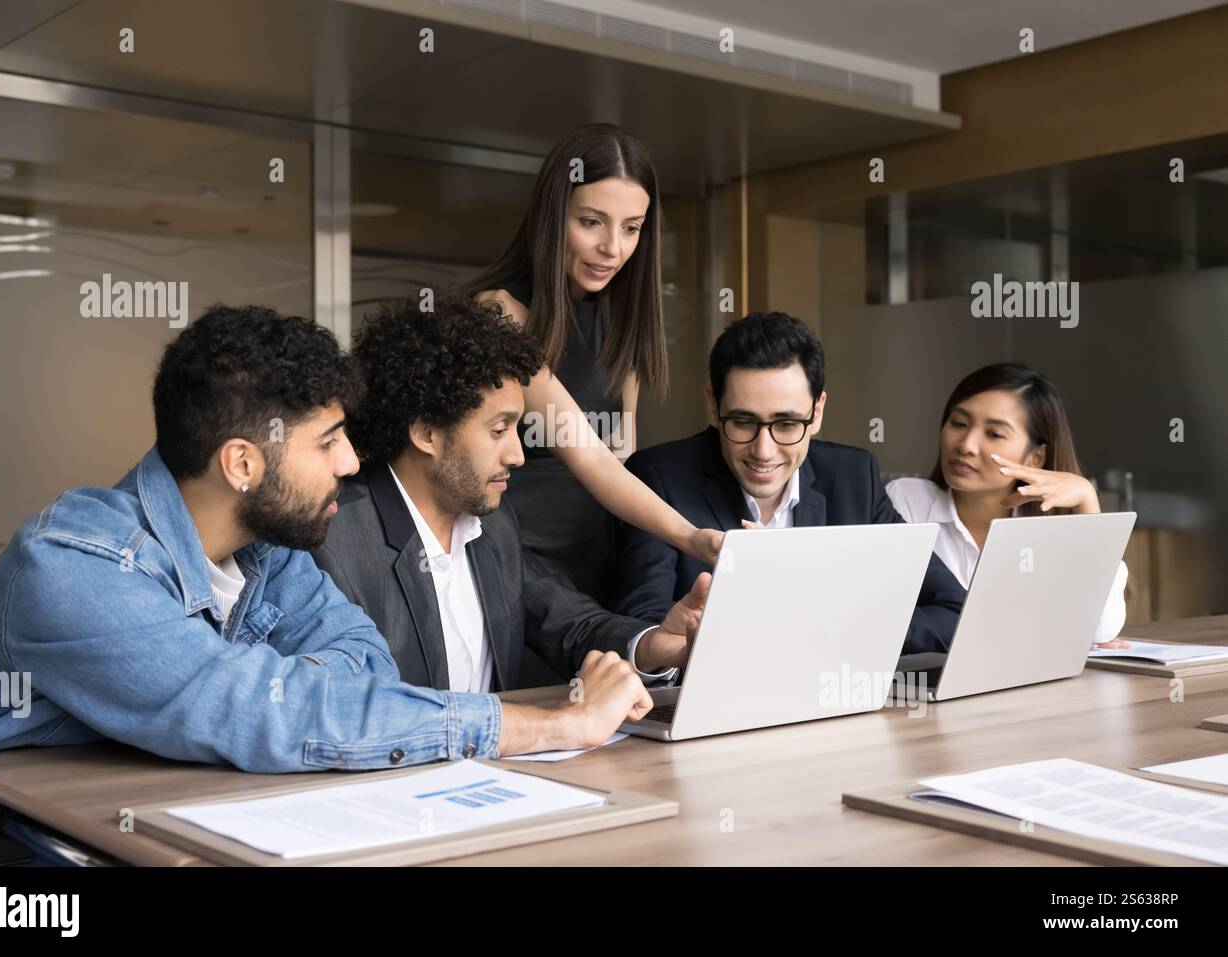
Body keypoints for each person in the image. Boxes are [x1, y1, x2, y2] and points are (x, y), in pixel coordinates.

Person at [0, 304, 653, 866]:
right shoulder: (74, 568)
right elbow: (264, 711)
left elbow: (357, 658)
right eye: (327, 441)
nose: (350, 462)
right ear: (242, 463)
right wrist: (556, 726)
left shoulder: (265, 547)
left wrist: (282, 698)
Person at [313, 291, 709, 692]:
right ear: (426, 433)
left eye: (518, 430)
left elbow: (573, 626)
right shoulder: (332, 541)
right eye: (499, 431)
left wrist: (657, 646)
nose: (518, 455)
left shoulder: (493, 523)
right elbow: (350, 707)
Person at [612, 311, 967, 656]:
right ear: (712, 405)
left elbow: (952, 610)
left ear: (818, 411)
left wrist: (833, 631)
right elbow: (644, 632)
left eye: (786, 424)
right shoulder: (659, 478)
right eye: (742, 422)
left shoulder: (853, 477)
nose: (763, 451)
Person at [466, 123, 720, 605]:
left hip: (599, 561)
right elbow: (588, 453)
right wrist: (690, 536)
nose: (613, 248)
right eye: (591, 222)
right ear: (552, 215)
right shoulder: (501, 313)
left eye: (631, 228)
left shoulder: (623, 314)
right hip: (515, 563)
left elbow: (622, 455)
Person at [886, 362, 1129, 647]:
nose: (966, 445)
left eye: (994, 434)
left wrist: (1088, 502)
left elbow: (1100, 631)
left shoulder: (1051, 524)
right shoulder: (908, 501)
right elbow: (892, 618)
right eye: (959, 424)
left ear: (1035, 457)